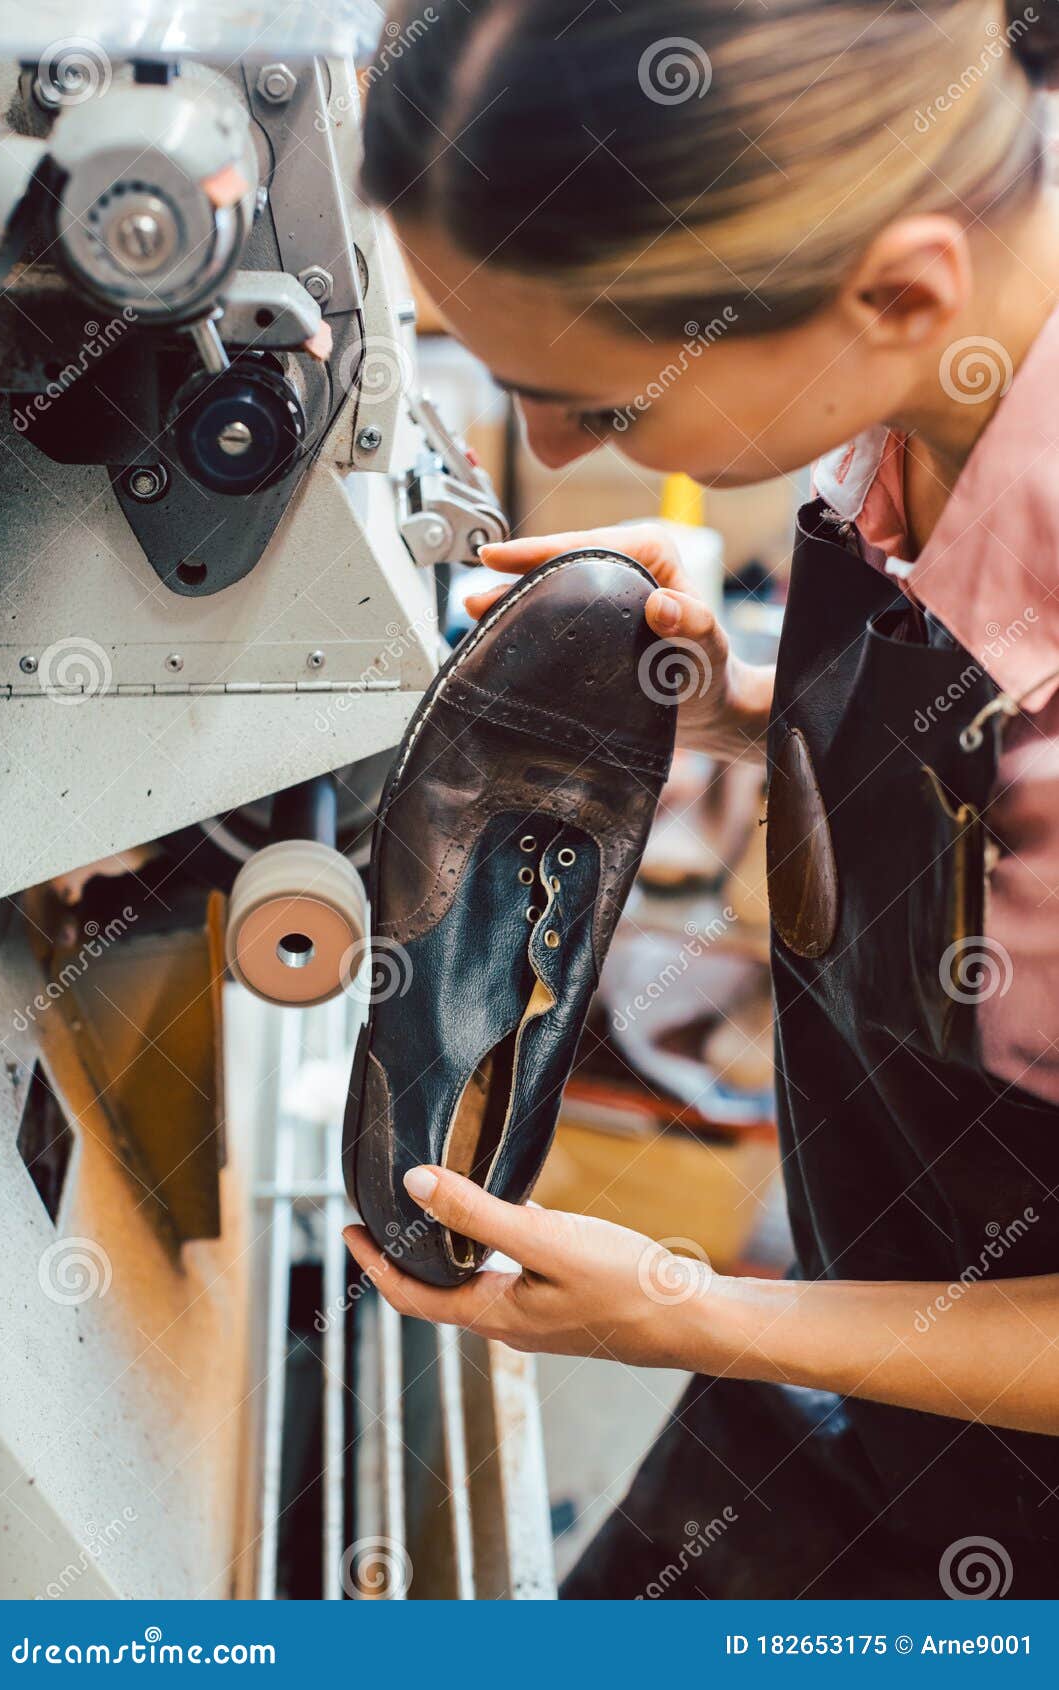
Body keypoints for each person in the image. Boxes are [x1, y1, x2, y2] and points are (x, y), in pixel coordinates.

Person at [343, 0, 1059, 1597]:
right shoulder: (932, 371)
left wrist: (686, 1306)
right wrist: (744, 700)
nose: (540, 441)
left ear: (897, 291)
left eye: (602, 408)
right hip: (874, 1342)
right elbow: (971, 801)